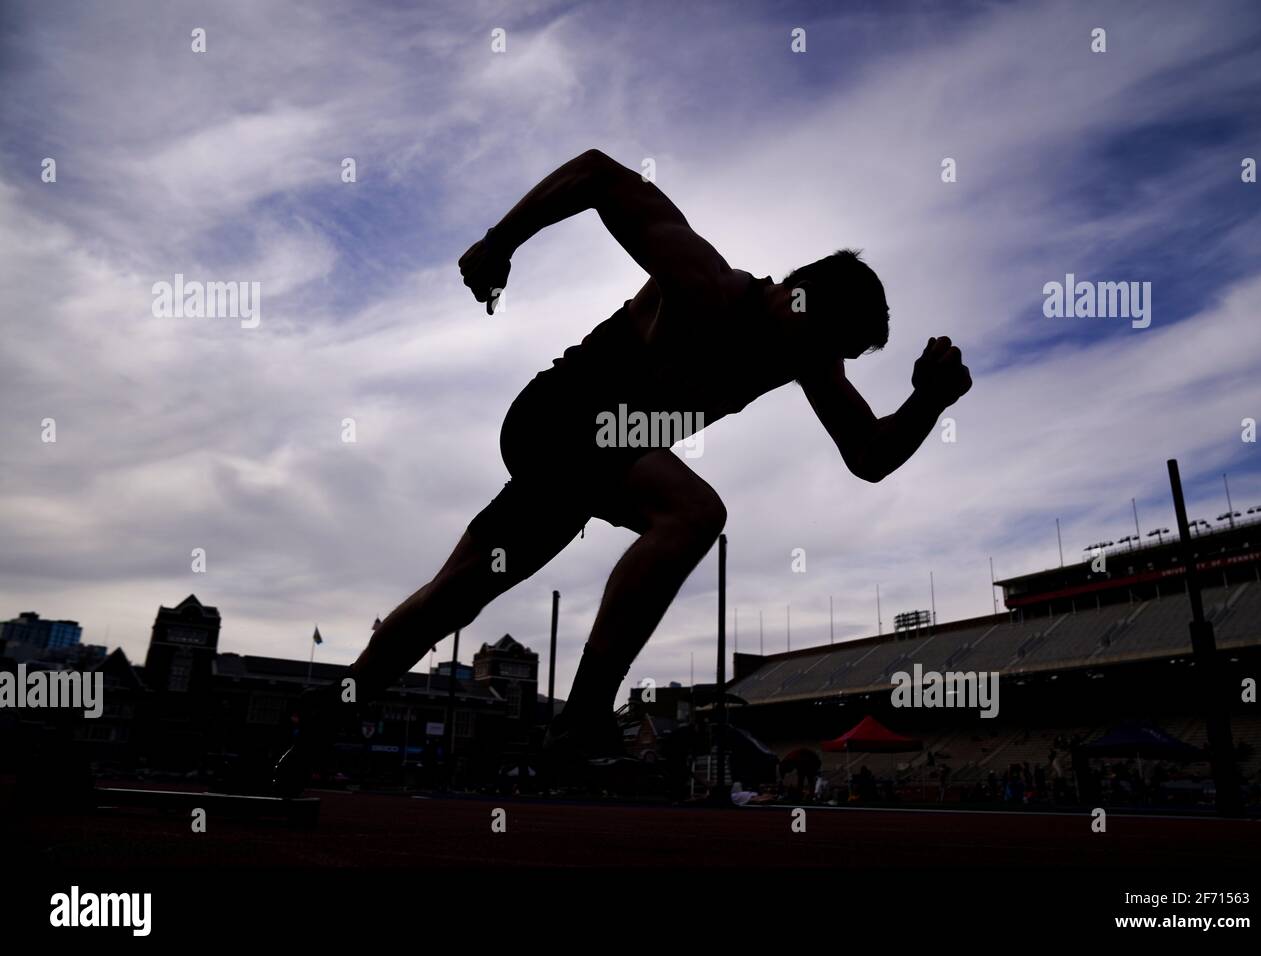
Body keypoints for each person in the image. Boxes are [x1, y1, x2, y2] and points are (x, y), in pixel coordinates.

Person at [274, 149, 972, 793]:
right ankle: (580, 722)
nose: (825, 368)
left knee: (454, 595)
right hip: (556, 417)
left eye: (840, 357)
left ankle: (325, 714)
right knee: (694, 512)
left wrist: (927, 402)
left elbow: (869, 456)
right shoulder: (705, 285)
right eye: (827, 347)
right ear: (796, 297)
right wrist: (500, 243)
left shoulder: (804, 356)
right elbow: (601, 174)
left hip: (602, 459)